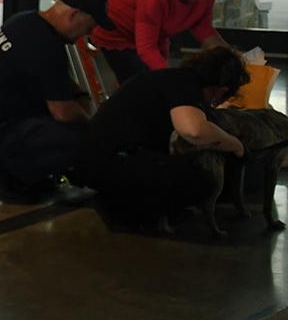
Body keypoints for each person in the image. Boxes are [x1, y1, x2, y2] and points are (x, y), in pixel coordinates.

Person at [0, 0, 112, 204]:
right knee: (82, 139)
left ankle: (30, 172)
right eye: (89, 27)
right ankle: (4, 173)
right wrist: (96, 127)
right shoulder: (45, 44)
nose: (87, 34)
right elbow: (63, 113)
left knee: (72, 131)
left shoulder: (27, 22)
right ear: (74, 14)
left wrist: (79, 94)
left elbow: (53, 79)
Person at [70, 46, 248, 231]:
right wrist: (235, 145)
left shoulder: (170, 78)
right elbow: (193, 130)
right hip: (109, 162)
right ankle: (128, 210)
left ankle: (135, 204)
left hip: (98, 156)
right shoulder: (185, 84)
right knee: (201, 180)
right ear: (220, 90)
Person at [88, 0, 234, 83]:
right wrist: (172, 80)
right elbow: (146, 48)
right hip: (117, 30)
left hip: (154, 35)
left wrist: (228, 56)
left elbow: (201, 25)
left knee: (156, 82)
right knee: (140, 83)